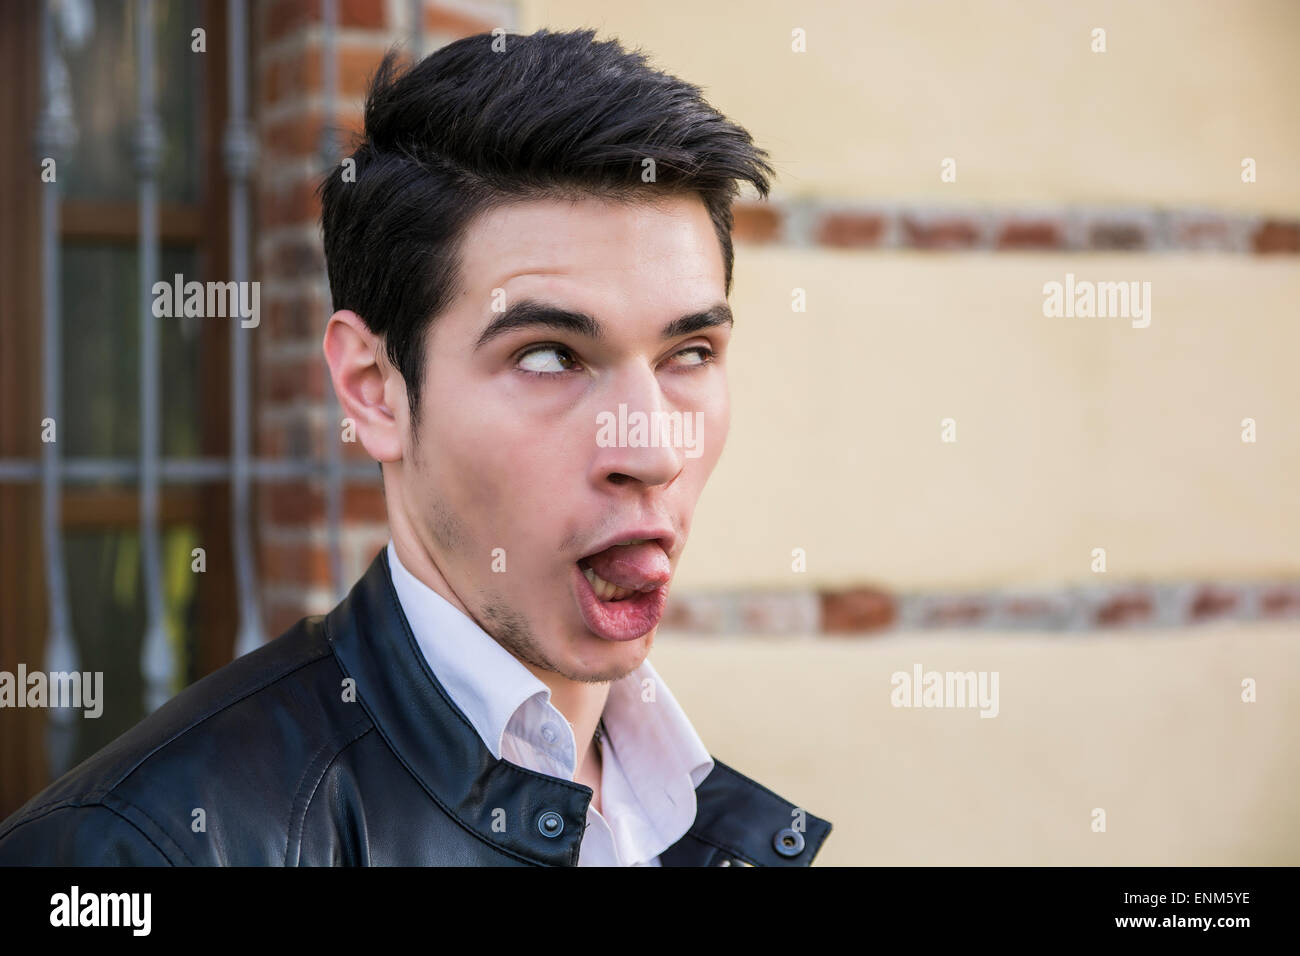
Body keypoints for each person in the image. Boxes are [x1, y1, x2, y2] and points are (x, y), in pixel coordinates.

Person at [0, 28, 831, 866]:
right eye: (549, 357)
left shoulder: (716, 826)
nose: (652, 450)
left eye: (688, 354)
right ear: (373, 387)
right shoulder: (132, 851)